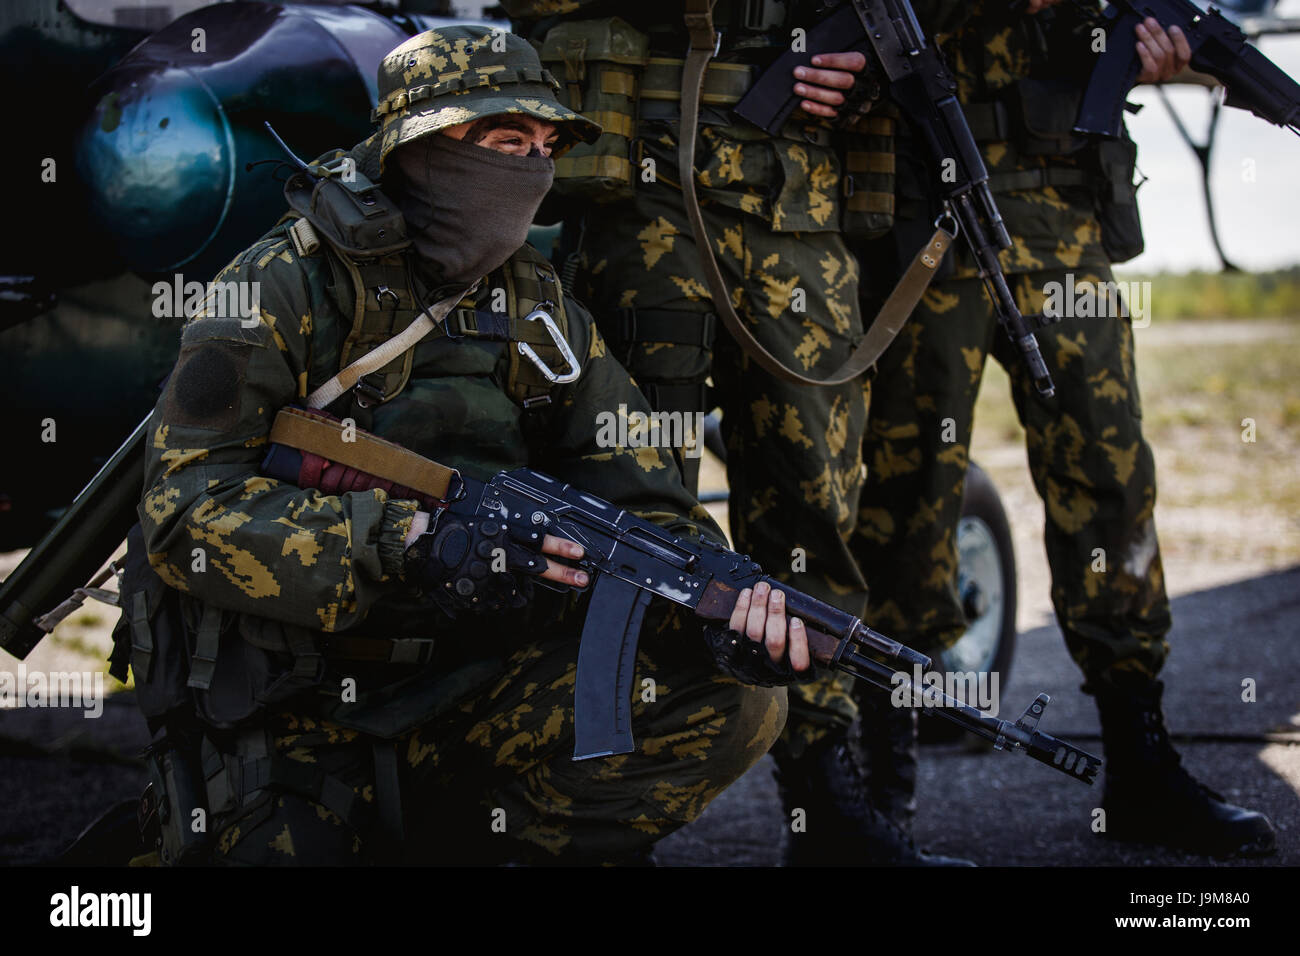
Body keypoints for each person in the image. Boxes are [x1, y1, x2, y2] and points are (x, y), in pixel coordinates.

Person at [135, 25, 813, 866]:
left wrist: (719, 602)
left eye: (543, 146)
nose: (529, 167)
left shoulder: (537, 307)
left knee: (734, 704)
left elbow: (643, 494)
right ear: (417, 147)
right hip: (301, 710)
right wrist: (404, 542)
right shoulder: (278, 286)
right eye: (503, 140)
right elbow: (182, 508)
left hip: (473, 688)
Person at [503, 0, 973, 865]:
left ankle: (828, 805)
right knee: (629, 524)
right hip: (644, 199)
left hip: (795, 207)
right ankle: (614, 814)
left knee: (817, 517)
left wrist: (865, 66)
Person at [841, 0, 1276, 858]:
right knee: (908, 501)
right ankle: (882, 798)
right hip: (928, 211)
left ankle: (1142, 764)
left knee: (1111, 487)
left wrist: (1164, 57)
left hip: (1061, 221)